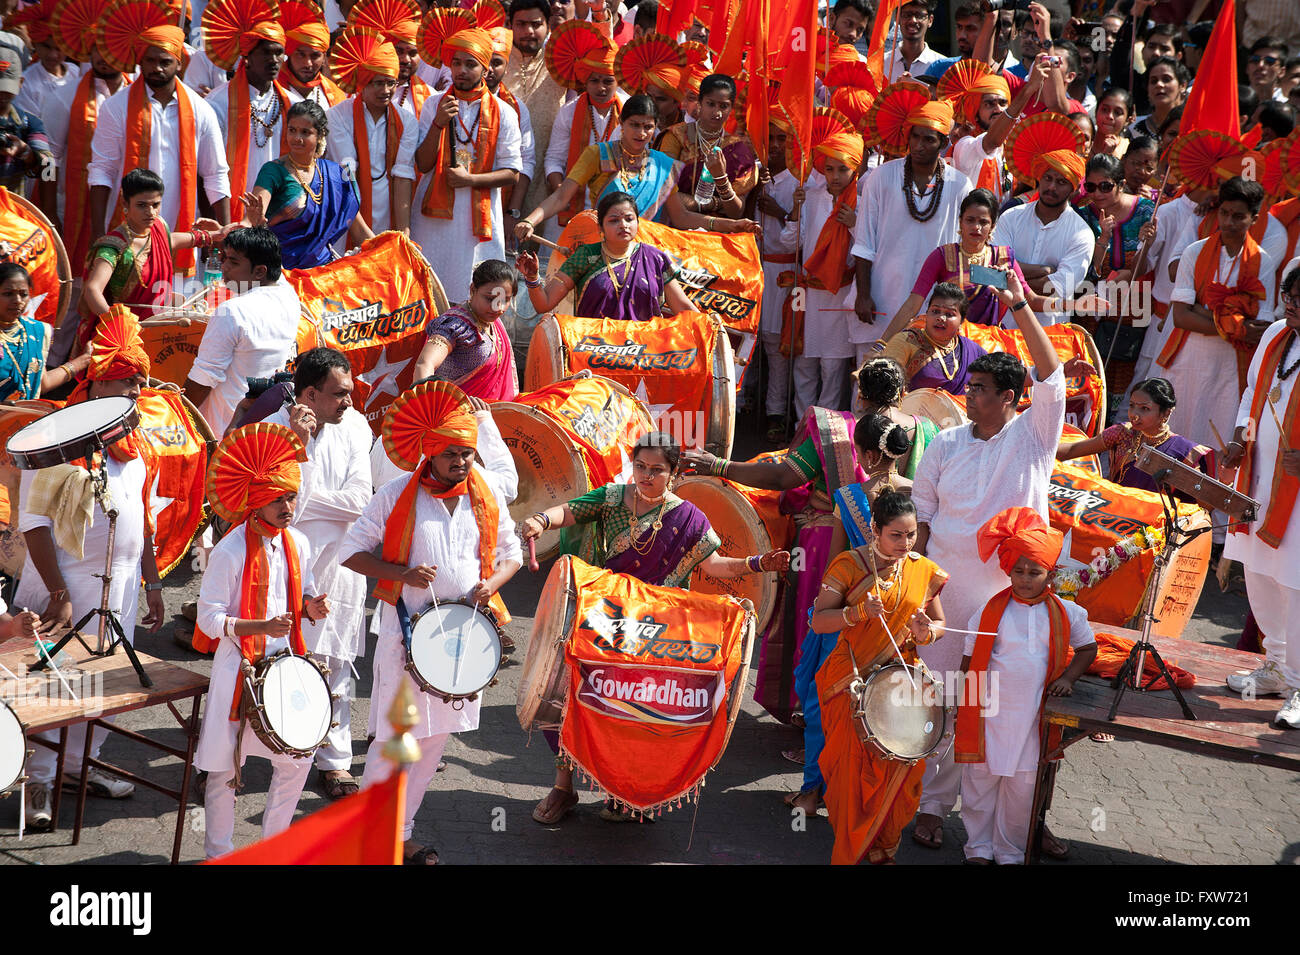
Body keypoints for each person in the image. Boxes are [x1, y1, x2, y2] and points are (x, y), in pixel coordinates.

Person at [520, 431, 790, 823]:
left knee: (632, 711)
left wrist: (757, 564)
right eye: (640, 467)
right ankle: (564, 787)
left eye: (657, 470)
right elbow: (571, 510)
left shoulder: (689, 519)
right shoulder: (613, 498)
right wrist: (540, 518)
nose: (646, 476)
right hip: (603, 620)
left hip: (654, 633)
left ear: (674, 473)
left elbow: (713, 566)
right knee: (569, 697)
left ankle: (620, 790)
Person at [910, 266, 1066, 853]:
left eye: (978, 389)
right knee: (947, 703)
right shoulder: (944, 443)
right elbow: (922, 519)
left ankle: (1028, 819)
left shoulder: (1032, 436)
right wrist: (920, 591)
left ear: (1009, 399)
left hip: (1013, 603)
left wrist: (1019, 304)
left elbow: (1051, 376)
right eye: (967, 386)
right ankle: (931, 807)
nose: (966, 394)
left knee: (1017, 715)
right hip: (949, 602)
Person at [341, 381, 522, 865]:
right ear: (429, 453)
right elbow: (350, 553)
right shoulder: (396, 495)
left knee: (434, 741)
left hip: (462, 641)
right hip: (405, 638)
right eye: (450, 454)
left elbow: (513, 554)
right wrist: (399, 573)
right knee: (394, 740)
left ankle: (399, 835)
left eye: (467, 453)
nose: (461, 463)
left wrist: (493, 583)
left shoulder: (485, 495)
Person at [17, 308, 165, 828]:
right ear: (99, 381)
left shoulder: (136, 451)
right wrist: (59, 593)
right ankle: (36, 781)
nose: (137, 390)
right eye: (128, 380)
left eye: (141, 382)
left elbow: (143, 519)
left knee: (103, 684)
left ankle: (77, 767)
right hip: (67, 591)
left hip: (119, 591)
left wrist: (152, 584)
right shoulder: (55, 443)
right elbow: (32, 525)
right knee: (52, 689)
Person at [193, 423, 330, 859]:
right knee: (224, 770)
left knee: (297, 762)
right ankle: (219, 854)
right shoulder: (231, 550)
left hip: (286, 667)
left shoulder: (299, 543)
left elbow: (301, 594)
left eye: (291, 496)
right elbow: (209, 619)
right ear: (257, 499)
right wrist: (259, 628)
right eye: (278, 498)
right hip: (239, 671)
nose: (288, 505)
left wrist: (311, 607)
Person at [785, 418, 917, 811]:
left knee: (824, 701)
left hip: (848, 617)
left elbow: (838, 561)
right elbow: (917, 558)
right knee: (880, 706)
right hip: (896, 614)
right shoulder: (917, 495)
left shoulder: (848, 496)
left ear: (868, 455)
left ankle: (813, 791)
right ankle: (862, 794)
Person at [814, 489, 948, 864]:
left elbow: (939, 623)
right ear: (875, 529)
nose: (906, 543)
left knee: (905, 771)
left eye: (911, 535)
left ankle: (883, 850)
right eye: (896, 535)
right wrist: (856, 613)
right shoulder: (848, 565)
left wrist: (926, 632)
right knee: (851, 775)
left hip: (903, 681)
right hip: (851, 682)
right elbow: (818, 621)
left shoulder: (923, 569)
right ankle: (853, 850)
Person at [263, 347, 373, 799]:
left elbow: (361, 501)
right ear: (309, 393)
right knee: (277, 661)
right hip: (282, 565)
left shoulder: (357, 426)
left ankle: (335, 762)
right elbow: (275, 506)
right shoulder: (271, 432)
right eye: (340, 394)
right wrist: (299, 446)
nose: (349, 401)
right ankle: (279, 748)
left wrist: (303, 504)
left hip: (341, 568)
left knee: (336, 665)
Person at [957, 507, 1096, 864]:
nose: (1024, 578)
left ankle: (1009, 852)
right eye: (1018, 571)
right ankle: (977, 849)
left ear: (1050, 575)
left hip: (1032, 720)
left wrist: (1067, 678)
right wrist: (961, 703)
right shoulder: (990, 611)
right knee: (979, 785)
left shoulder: (1067, 612)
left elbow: (1087, 648)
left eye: (1034, 572)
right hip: (989, 715)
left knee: (1021, 791)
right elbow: (969, 658)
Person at [87, 21, 231, 273]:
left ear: (179, 63)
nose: (157, 68)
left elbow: (215, 174)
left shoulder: (202, 110)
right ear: (140, 61)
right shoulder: (115, 108)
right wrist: (98, 233)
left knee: (177, 307)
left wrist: (227, 235)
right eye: (150, 60)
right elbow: (101, 171)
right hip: (126, 231)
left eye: (165, 61)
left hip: (182, 231)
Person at [1222, 267, 1300, 726]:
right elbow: (1253, 392)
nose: (1290, 304)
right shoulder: (1275, 335)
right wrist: (1239, 436)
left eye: (1299, 300)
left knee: (1295, 581)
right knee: (1260, 571)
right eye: (1289, 295)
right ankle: (1275, 666)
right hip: (1260, 478)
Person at [1159, 177, 1278, 456]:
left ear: (1254, 219)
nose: (1229, 222)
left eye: (1238, 216)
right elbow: (1180, 317)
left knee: (1215, 443)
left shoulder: (1263, 262)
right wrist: (1232, 322)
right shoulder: (1194, 252)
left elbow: (1259, 329)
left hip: (1230, 366)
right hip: (1188, 359)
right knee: (1175, 434)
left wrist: (1202, 311)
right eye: (1224, 213)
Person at [854, 95, 972, 369]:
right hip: (882, 293)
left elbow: (960, 247)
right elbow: (864, 242)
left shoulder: (960, 185)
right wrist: (863, 293)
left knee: (925, 373)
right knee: (872, 370)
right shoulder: (881, 177)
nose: (919, 146)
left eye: (928, 139)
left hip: (934, 301)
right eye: (915, 137)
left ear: (944, 144)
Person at [411, 27, 522, 297]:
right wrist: (438, 124)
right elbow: (422, 164)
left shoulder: (504, 113)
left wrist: (470, 180)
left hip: (480, 221)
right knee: (429, 292)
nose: (461, 70)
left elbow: (512, 173)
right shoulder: (433, 104)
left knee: (475, 295)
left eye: (470, 64)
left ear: (485, 70)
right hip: (432, 220)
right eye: (456, 63)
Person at [79, 169, 224, 350]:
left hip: (158, 331)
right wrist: (119, 326)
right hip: (124, 339)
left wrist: (212, 236)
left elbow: (171, 240)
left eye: (156, 205)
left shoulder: (158, 227)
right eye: (142, 205)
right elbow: (92, 290)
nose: (150, 212)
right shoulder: (113, 246)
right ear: (125, 203)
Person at [184, 227, 305, 437]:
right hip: (266, 426)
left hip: (223, 431)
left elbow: (203, 378)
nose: (224, 267)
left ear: (260, 271)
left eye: (233, 262)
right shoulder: (290, 297)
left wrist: (173, 417)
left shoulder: (231, 311)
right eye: (224, 258)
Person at [782, 129, 866, 418]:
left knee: (832, 367)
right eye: (829, 169)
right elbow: (790, 243)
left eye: (843, 169)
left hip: (839, 294)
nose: (835, 176)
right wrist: (795, 210)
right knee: (804, 364)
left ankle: (824, 434)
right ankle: (800, 430)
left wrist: (856, 223)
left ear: (856, 168)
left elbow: (870, 251)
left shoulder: (862, 200)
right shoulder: (812, 197)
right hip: (806, 294)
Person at [516, 190, 695, 320]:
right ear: (600, 228)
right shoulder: (585, 256)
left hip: (645, 355)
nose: (623, 225)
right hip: (594, 353)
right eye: (614, 220)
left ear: (638, 223)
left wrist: (711, 325)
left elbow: (683, 308)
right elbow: (544, 304)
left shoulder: (655, 258)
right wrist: (532, 278)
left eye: (629, 219)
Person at [880, 190, 1034, 337]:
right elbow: (913, 303)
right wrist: (881, 344)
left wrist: (1056, 304)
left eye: (983, 222)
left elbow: (1031, 300)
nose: (976, 227)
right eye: (970, 220)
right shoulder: (942, 256)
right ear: (960, 222)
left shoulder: (1004, 258)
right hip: (948, 342)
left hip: (989, 345)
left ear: (993, 226)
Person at [243, 101, 371, 267]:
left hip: (323, 273)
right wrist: (255, 222)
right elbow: (249, 221)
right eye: (292, 130)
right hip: (281, 273)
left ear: (320, 135)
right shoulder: (274, 171)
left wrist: (392, 249)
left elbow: (360, 231)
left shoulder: (335, 176)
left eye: (305, 132)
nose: (297, 138)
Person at [44, 38, 129, 275]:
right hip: (71, 205)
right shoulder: (64, 97)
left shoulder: (137, 98)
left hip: (122, 206)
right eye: (96, 48)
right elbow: (48, 158)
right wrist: (50, 210)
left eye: (110, 47)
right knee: (70, 278)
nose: (102, 56)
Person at [325, 33, 416, 239]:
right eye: (377, 83)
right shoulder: (337, 116)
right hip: (346, 213)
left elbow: (403, 178)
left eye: (390, 83)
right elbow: (347, 174)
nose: (385, 90)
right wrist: (365, 238)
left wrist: (403, 236)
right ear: (363, 82)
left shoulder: (407, 122)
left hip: (389, 212)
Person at [990, 146, 1094, 327]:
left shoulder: (1082, 234)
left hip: (1049, 331)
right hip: (1003, 324)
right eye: (1048, 178)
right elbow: (992, 271)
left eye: (1061, 182)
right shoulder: (1011, 217)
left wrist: (1012, 279)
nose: (1051, 187)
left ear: (1074, 189)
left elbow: (1057, 288)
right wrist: (1045, 271)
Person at [1058, 376, 1212, 494]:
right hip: (1114, 515)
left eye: (1144, 409)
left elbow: (1203, 505)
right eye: (1132, 406)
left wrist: (1225, 480)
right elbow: (1073, 450)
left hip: (1154, 529)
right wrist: (1036, 452)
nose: (1134, 415)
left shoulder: (1185, 453)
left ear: (1166, 413)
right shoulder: (1122, 433)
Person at [205, 17, 290, 226]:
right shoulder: (218, 103)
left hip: (279, 212)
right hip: (233, 213)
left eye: (279, 52)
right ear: (247, 56)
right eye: (266, 52)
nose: (274, 59)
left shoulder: (291, 103)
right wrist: (222, 228)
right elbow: (208, 170)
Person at [541, 24, 626, 226]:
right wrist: (563, 192)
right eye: (594, 80)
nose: (601, 87)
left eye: (608, 81)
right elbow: (553, 159)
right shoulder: (569, 111)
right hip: (570, 209)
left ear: (618, 82)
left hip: (618, 210)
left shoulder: (630, 111)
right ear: (585, 81)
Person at [411, 258, 520, 401]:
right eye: (490, 298)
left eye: (505, 300)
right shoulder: (456, 325)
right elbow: (424, 364)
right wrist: (427, 409)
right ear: (473, 289)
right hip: (454, 415)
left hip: (492, 413)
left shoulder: (492, 321)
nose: (498, 308)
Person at [504, 0, 568, 241]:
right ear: (510, 24)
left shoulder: (561, 60)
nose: (529, 31)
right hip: (501, 175)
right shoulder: (495, 60)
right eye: (521, 24)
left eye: (536, 24)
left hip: (546, 175)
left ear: (549, 25)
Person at [658, 73, 759, 219]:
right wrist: (714, 204)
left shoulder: (738, 149)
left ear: (731, 108)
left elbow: (736, 212)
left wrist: (721, 178)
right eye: (711, 104)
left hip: (719, 234)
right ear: (700, 103)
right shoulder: (677, 136)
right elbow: (666, 195)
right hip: (677, 229)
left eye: (723, 106)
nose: (717, 112)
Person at [756, 116, 800, 442]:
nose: (774, 145)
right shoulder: (754, 177)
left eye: (781, 138)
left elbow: (795, 239)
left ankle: (775, 413)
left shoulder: (798, 184)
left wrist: (777, 210)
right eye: (768, 137)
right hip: (753, 268)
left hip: (784, 272)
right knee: (748, 340)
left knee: (778, 343)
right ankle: (745, 403)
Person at [881, 282, 989, 397]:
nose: (940, 318)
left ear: (961, 322)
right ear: (926, 314)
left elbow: (997, 382)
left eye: (949, 314)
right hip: (910, 413)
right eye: (935, 311)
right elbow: (882, 385)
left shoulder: (970, 349)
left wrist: (1011, 304)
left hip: (962, 413)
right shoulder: (907, 341)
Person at [0, 263, 89, 398]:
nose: (18, 300)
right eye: (8, 294)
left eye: (23, 294)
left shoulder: (36, 330)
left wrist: (84, 359)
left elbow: (43, 384)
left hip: (21, 417)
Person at [280, 2, 346, 108]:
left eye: (315, 56)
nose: (308, 63)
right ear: (289, 52)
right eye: (301, 54)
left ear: (324, 57)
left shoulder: (336, 96)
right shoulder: (269, 90)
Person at [1127, 57, 1189, 141]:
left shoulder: (1194, 127)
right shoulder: (1131, 129)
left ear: (1183, 86)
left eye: (1166, 79)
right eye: (1153, 81)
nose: (1159, 84)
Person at [886, 0, 943, 81]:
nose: (913, 20)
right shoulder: (882, 64)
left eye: (919, 15)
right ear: (897, 18)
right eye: (907, 15)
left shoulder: (942, 66)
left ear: (930, 20)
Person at [1091, 87, 1133, 159]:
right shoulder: (1083, 143)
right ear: (1096, 112)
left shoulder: (1128, 151)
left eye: (1117, 112)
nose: (1110, 116)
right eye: (1104, 110)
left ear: (1127, 120)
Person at [1247, 37, 1290, 106]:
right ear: (1247, 68)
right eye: (1255, 59)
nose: (1260, 65)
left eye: (1269, 61)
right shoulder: (1232, 101)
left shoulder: (1289, 108)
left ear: (1281, 72)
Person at [1120, 135, 1160, 201]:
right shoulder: (1109, 186)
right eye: (1136, 164)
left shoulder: (1154, 194)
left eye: (1149, 169)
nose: (1142, 171)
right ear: (1123, 159)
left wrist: (1151, 203)